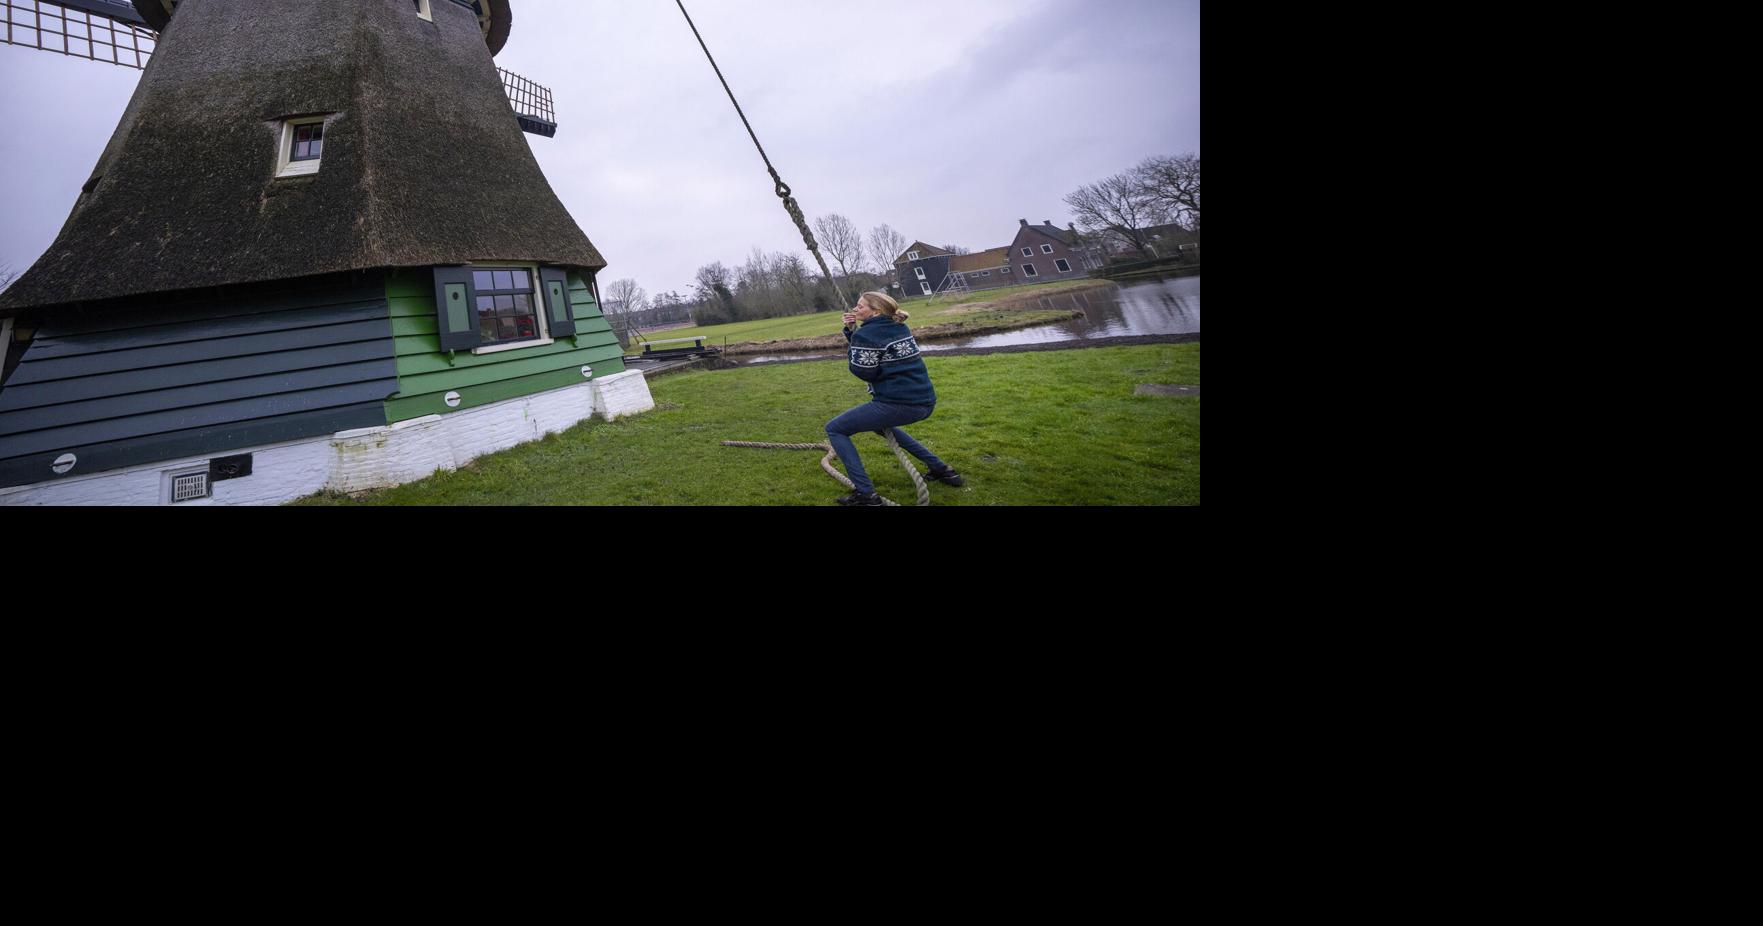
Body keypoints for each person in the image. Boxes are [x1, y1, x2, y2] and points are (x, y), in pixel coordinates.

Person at [826, 291, 965, 506]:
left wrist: (854, 339)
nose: (855, 309)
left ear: (876, 311)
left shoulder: (867, 335)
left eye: (861, 306)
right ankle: (942, 470)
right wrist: (852, 331)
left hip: (898, 405)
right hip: (925, 401)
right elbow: (873, 351)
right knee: (879, 426)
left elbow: (863, 371)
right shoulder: (899, 326)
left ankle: (866, 495)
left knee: (835, 429)